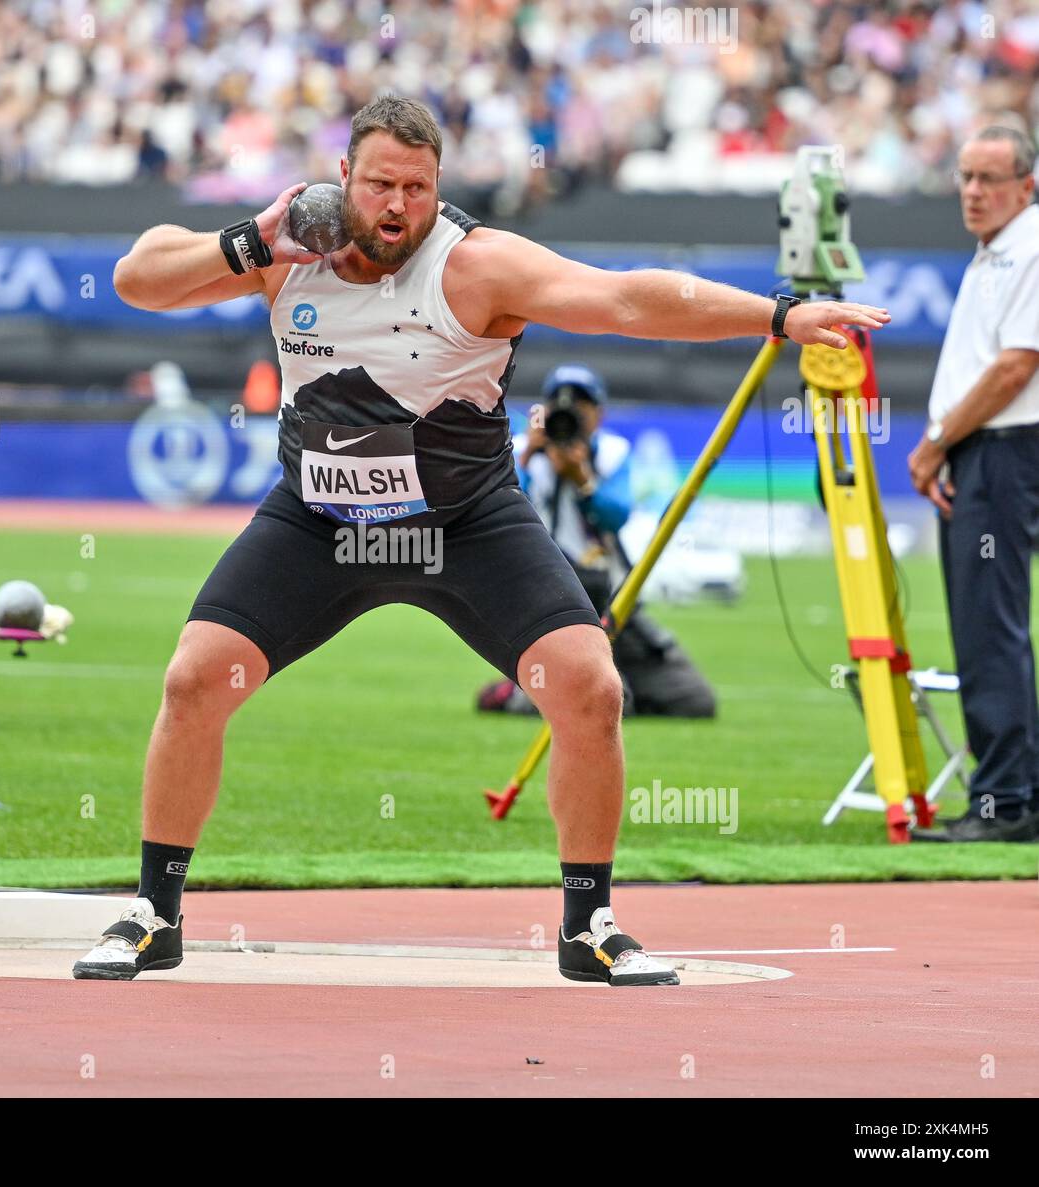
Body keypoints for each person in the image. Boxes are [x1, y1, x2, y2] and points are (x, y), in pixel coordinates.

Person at [73, 94, 889, 985]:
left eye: (418, 188)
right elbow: (137, 278)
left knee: (590, 689)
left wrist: (776, 314)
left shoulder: (476, 267)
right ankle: (155, 911)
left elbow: (622, 299)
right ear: (343, 176)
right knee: (194, 676)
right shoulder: (287, 251)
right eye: (380, 183)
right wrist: (250, 241)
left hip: (463, 524)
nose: (397, 207)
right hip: (320, 522)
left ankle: (589, 924)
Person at [908, 125, 1039, 843]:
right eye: (965, 177)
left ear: (1027, 185)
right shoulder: (997, 251)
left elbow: (1015, 367)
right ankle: (1021, 791)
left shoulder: (1029, 248)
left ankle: (1002, 802)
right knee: (994, 622)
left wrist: (934, 443)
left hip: (1001, 447)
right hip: (985, 448)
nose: (973, 192)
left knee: (990, 625)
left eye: (990, 179)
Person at [476, 363, 717, 720]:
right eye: (561, 407)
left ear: (598, 415)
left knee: (693, 700)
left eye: (581, 406)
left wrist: (583, 479)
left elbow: (617, 515)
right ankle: (527, 688)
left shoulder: (612, 453)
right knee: (591, 702)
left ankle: (613, 681)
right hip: (548, 601)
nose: (570, 415)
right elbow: (503, 512)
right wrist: (527, 459)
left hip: (611, 600)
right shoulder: (519, 452)